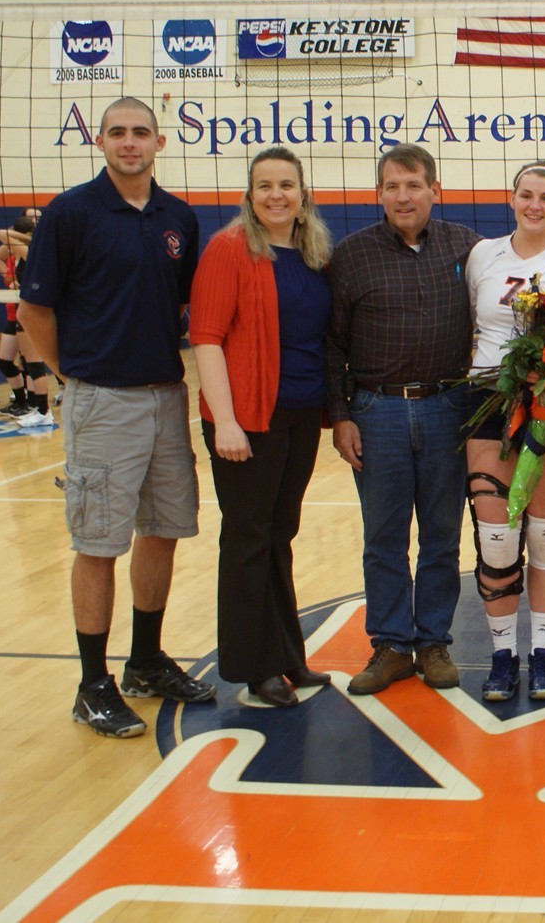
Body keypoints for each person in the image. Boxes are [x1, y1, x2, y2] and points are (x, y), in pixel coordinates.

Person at [17, 95, 215, 739]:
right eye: (117, 133)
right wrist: (68, 375)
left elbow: (193, 310)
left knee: (163, 530)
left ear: (161, 143)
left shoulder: (177, 218)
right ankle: (92, 682)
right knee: (100, 542)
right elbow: (32, 312)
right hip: (103, 398)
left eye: (140, 133)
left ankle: (146, 662)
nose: (129, 143)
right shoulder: (70, 214)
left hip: (166, 395)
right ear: (99, 142)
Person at [325, 144, 479, 697]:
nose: (403, 196)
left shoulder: (469, 246)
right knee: (384, 537)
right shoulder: (351, 256)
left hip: (448, 409)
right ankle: (391, 646)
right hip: (377, 411)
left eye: (413, 185)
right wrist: (341, 417)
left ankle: (433, 641)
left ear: (434, 190)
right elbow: (331, 346)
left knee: (442, 535)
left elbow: (524, 281)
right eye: (392, 186)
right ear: (379, 194)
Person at [190, 148, 335, 708]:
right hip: (247, 418)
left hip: (300, 415)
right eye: (264, 186)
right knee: (249, 538)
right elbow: (205, 336)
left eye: (287, 185)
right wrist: (225, 421)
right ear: (249, 196)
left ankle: (287, 655)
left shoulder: (312, 252)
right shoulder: (229, 249)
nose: (276, 195)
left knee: (280, 535)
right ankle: (255, 669)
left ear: (303, 196)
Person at [464, 160, 545, 704]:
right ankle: (501, 657)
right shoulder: (481, 256)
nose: (535, 204)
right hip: (488, 401)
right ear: (511, 199)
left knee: (544, 537)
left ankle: (542, 657)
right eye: (526, 195)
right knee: (497, 543)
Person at [0, 216, 55, 427]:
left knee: (34, 364)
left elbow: (1, 233)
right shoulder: (23, 251)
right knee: (17, 361)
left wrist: (30, 237)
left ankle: (44, 412)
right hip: (21, 309)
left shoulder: (30, 251)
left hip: (33, 310)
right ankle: (34, 407)